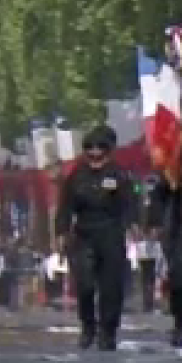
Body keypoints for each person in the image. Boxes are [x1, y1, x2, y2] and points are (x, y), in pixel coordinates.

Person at [55, 124, 134, 351]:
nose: (95, 152)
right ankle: (88, 326)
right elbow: (65, 206)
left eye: (100, 147)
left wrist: (133, 223)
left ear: (108, 150)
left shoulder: (119, 174)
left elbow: (130, 202)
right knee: (85, 284)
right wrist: (61, 232)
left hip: (111, 233)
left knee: (111, 287)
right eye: (90, 147)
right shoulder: (76, 176)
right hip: (83, 234)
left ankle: (108, 330)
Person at [148, 130, 182, 348]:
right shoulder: (174, 170)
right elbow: (158, 198)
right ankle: (181, 323)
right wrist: (154, 223)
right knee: (181, 280)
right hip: (179, 231)